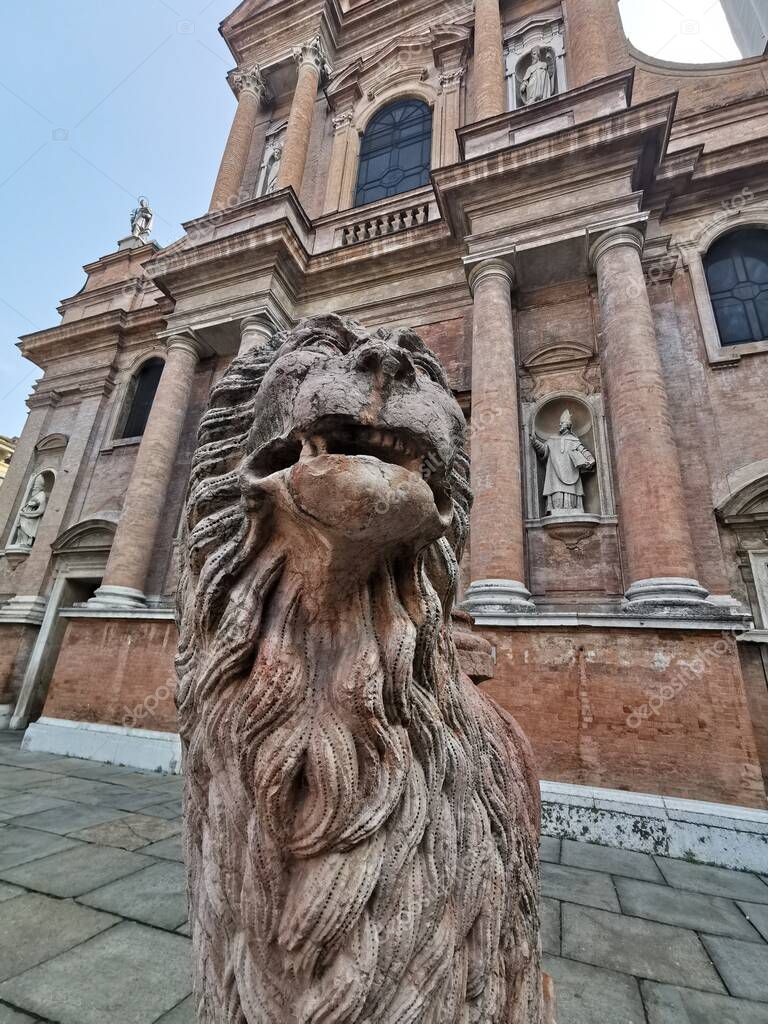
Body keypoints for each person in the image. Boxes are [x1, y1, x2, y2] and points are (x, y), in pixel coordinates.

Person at [531, 409, 596, 515]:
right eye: (560, 423)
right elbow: (544, 449)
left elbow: (583, 450)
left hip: (571, 470)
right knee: (557, 490)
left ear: (568, 426)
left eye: (562, 423)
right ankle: (557, 508)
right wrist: (535, 442)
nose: (560, 425)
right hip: (555, 474)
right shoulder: (552, 439)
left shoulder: (573, 440)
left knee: (572, 491)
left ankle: (573, 508)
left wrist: (590, 460)